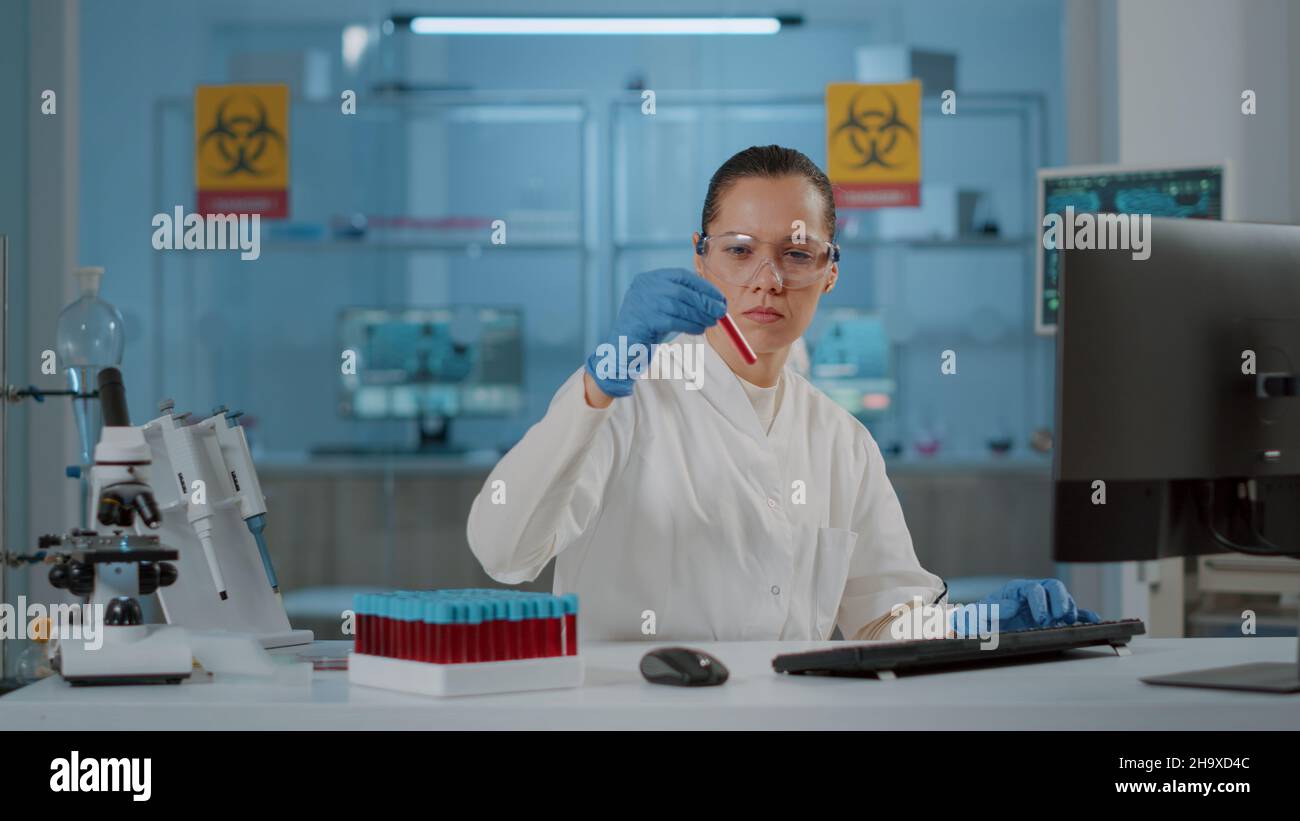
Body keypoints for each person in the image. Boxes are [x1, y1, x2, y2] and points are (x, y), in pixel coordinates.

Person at [467, 144, 1097, 641]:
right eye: (740, 251)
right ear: (701, 258)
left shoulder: (842, 442)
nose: (766, 281)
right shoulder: (623, 399)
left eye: (796, 254)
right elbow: (504, 551)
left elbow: (885, 621)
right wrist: (599, 383)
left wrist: (976, 625)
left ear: (830, 272)